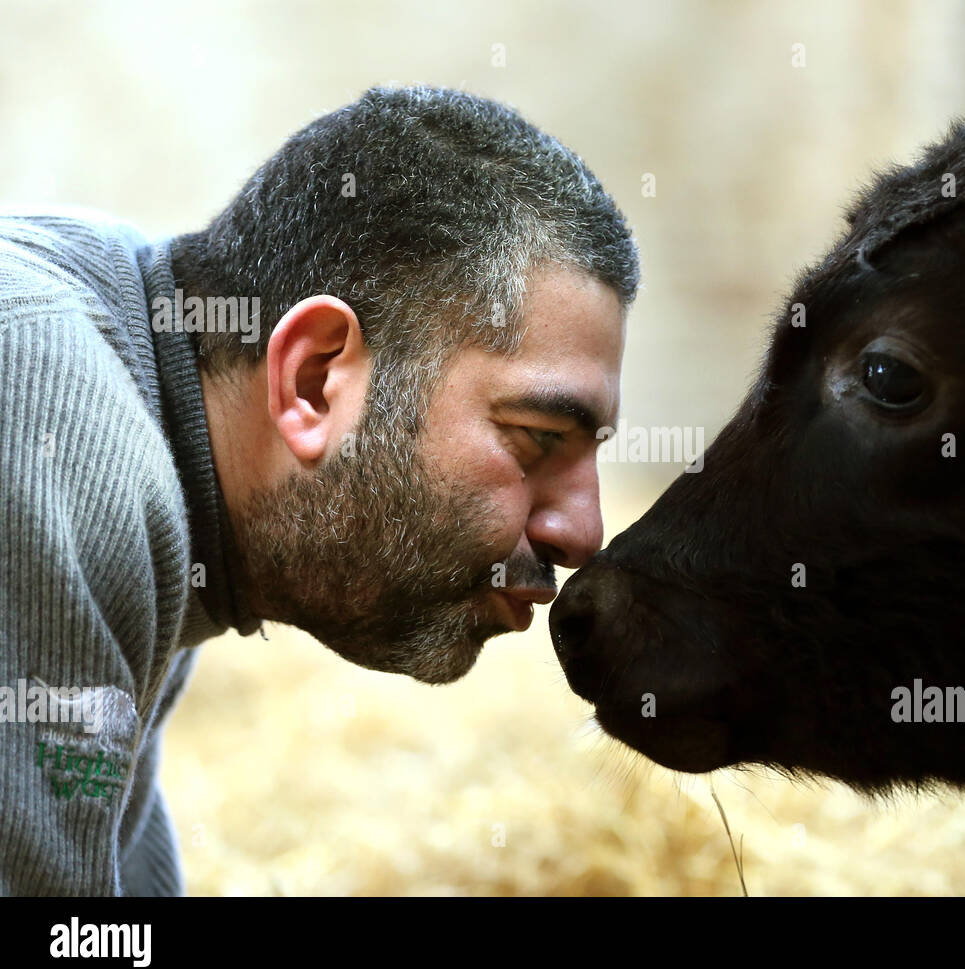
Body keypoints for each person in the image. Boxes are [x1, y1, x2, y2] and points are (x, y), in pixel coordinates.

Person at [0, 85, 638, 895]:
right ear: (314, 380)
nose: (583, 532)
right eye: (537, 438)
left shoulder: (151, 408)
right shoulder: (53, 423)